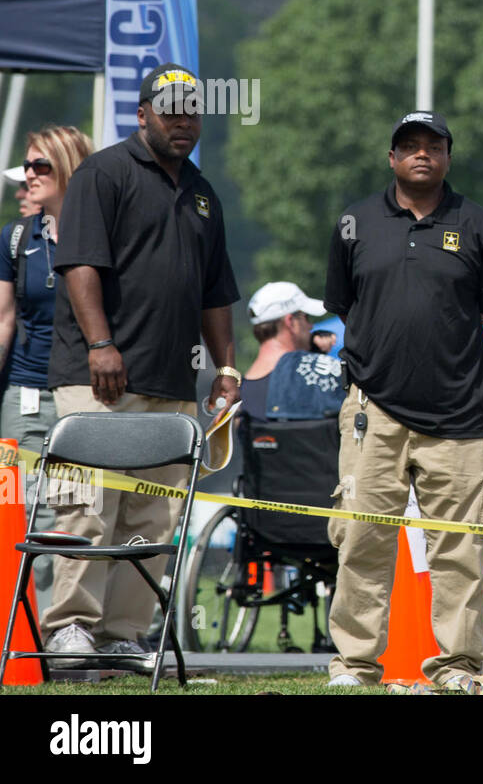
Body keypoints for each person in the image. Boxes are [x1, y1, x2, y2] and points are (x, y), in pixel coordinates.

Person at [41, 63, 242, 671]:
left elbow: (215, 292)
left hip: (173, 383)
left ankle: (122, 632)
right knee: (88, 506)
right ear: (143, 114)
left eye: (191, 110)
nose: (182, 121)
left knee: (154, 513)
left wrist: (227, 370)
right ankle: (70, 627)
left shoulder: (203, 192)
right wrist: (101, 344)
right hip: (98, 377)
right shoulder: (104, 172)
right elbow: (80, 264)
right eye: (170, 109)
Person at [324, 111, 483, 691]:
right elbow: (346, 305)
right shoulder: (355, 222)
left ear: (449, 157)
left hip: (458, 413)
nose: (421, 154)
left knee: (458, 549)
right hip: (372, 407)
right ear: (392, 158)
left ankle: (457, 667)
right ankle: (354, 666)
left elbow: (480, 309)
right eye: (410, 146)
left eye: (434, 145)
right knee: (361, 541)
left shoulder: (477, 223)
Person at [0, 126, 94, 615]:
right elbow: (3, 321)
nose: (29, 177)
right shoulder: (16, 237)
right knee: (17, 519)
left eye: (41, 167)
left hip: (83, 398)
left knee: (76, 518)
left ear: (71, 169)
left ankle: (68, 631)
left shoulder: (102, 236)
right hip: (25, 397)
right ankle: (19, 634)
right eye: (28, 167)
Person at [242, 281, 341, 421]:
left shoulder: (240, 394)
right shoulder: (320, 372)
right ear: (290, 322)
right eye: (306, 318)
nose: (310, 326)